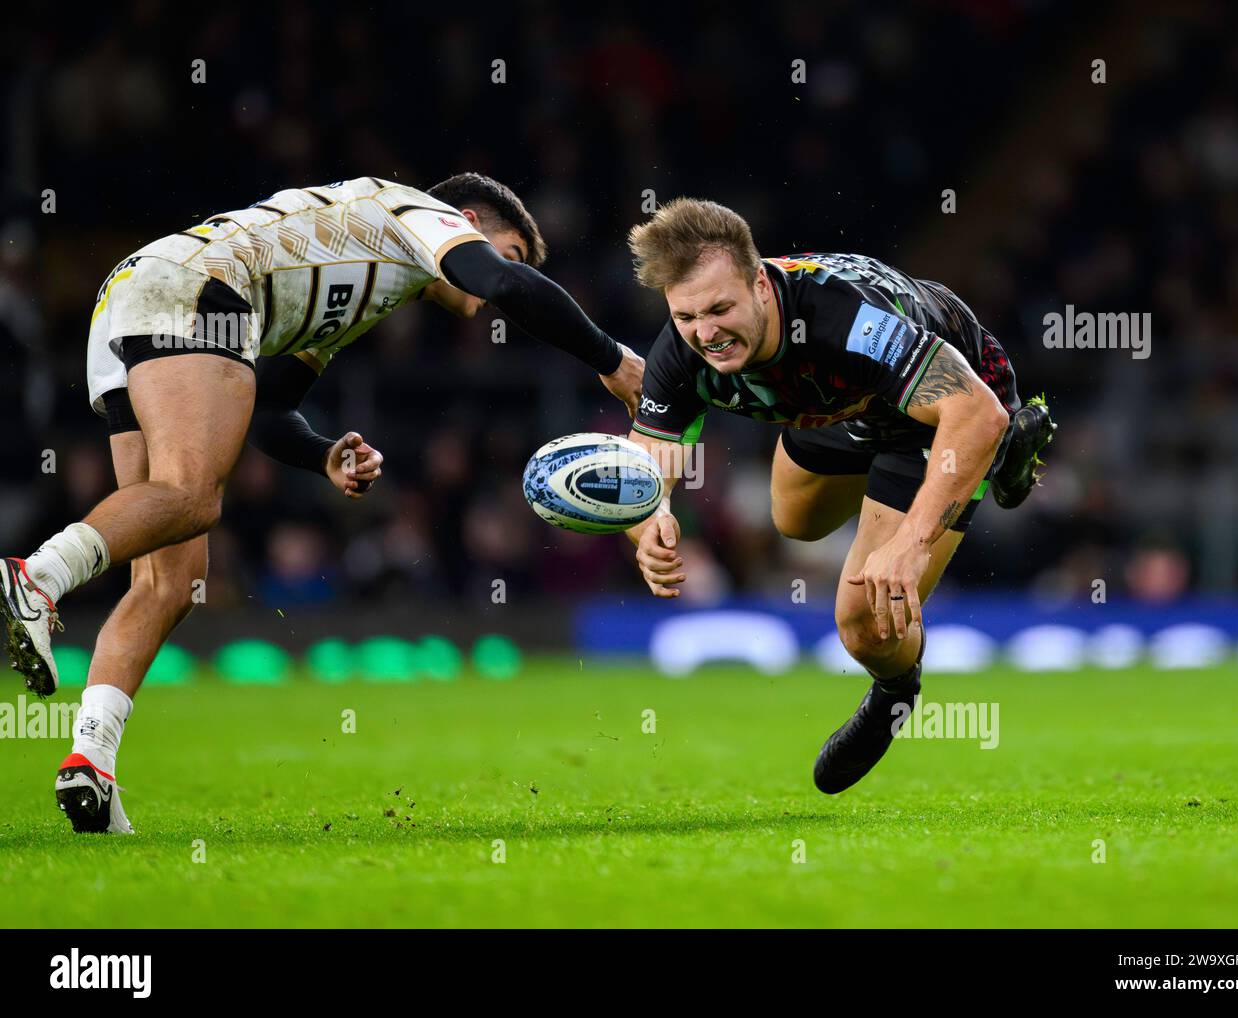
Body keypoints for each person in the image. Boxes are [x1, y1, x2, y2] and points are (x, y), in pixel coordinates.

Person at [1, 173, 643, 833]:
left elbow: (272, 409)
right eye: (505, 249)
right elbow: (510, 286)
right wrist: (611, 357)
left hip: (140, 296)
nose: (493, 297)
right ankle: (37, 578)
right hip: (201, 291)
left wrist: (323, 454)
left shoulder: (365, 269)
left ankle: (92, 763)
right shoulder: (417, 213)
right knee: (191, 497)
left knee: (170, 577)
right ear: (469, 219)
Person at [622, 198, 1054, 795]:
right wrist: (648, 527)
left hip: (945, 413)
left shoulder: (845, 320)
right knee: (793, 518)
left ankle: (895, 694)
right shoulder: (681, 349)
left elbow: (969, 411)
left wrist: (909, 540)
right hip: (841, 407)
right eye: (688, 316)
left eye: (721, 309)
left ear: (762, 284)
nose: (707, 333)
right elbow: (650, 463)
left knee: (863, 623)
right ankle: (968, 464)